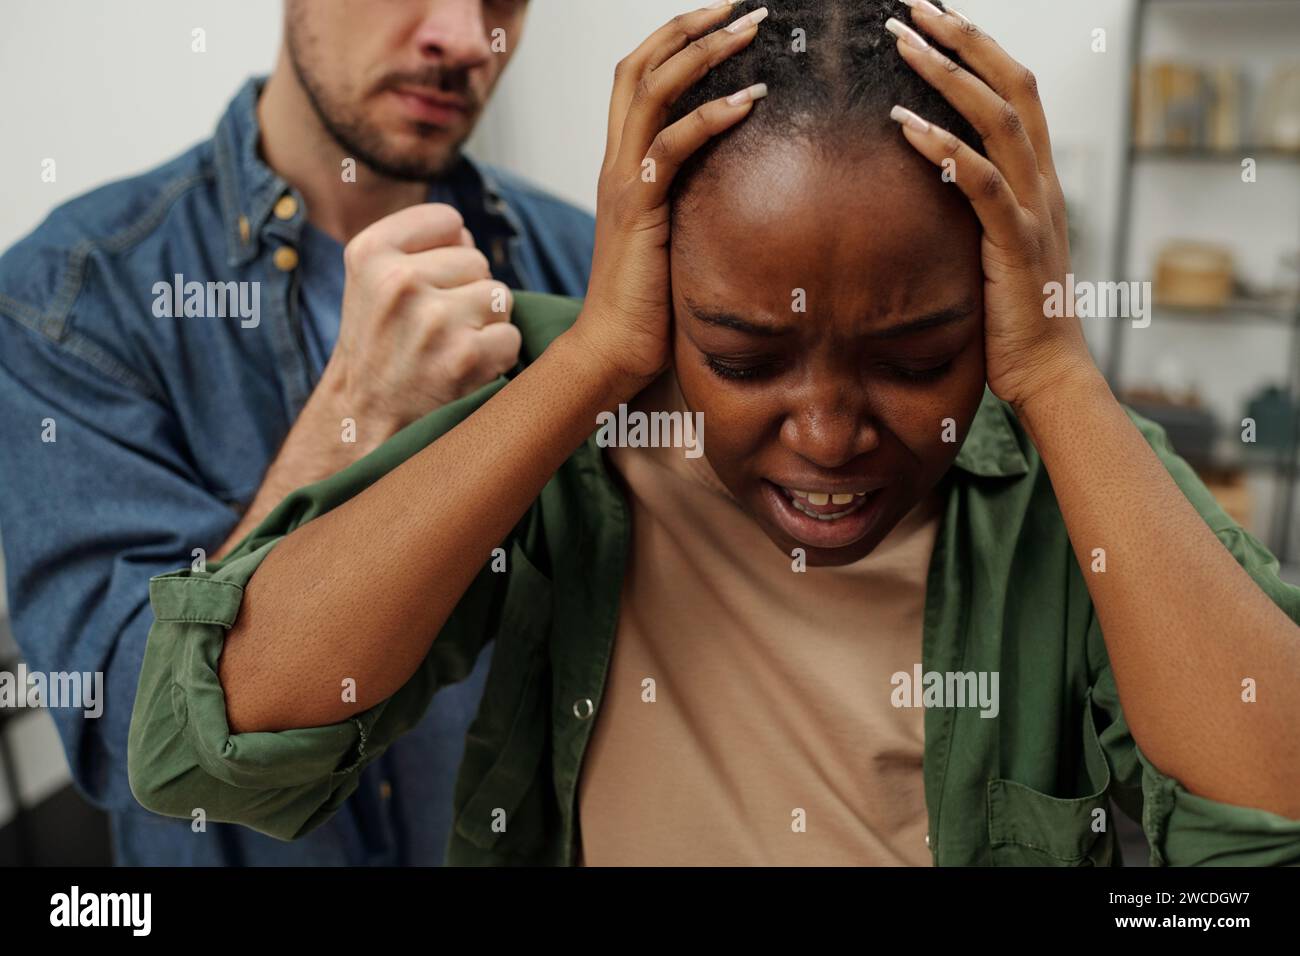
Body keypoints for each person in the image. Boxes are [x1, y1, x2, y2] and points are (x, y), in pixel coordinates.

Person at [128, 0, 1300, 865]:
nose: (830, 433)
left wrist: (1053, 365)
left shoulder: (1070, 474)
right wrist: (592, 355)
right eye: (742, 357)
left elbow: (1271, 826)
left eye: (912, 359)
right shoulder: (571, 427)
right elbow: (208, 745)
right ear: (661, 294)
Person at [0, 0, 594, 865]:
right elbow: (132, 733)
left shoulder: (584, 264)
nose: (468, 39)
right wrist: (364, 410)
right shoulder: (65, 302)